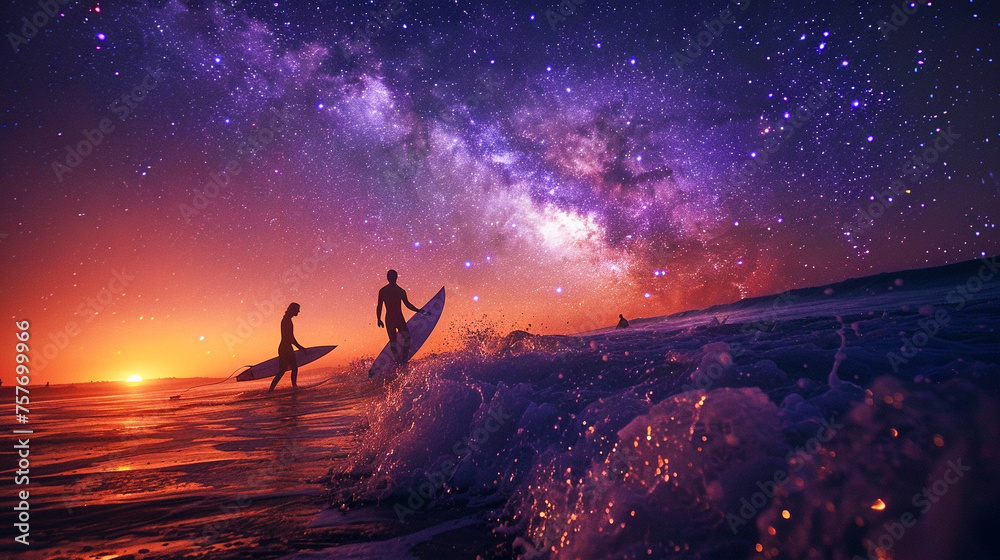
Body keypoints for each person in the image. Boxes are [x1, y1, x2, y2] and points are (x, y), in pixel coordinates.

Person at [376, 269, 426, 364]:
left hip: (390, 319)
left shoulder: (384, 291)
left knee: (393, 342)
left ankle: (400, 361)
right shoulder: (400, 291)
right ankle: (403, 359)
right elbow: (408, 305)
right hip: (398, 318)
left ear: (388, 278)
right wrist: (418, 310)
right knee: (406, 338)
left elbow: (379, 306)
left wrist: (379, 319)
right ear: (396, 277)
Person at [270, 302, 306, 392]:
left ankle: (271, 390)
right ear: (292, 309)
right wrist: (300, 347)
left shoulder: (286, 319)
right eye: (297, 310)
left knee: (286, 370)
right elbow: (290, 338)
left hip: (285, 347)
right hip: (285, 348)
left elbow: (290, 338)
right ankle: (294, 387)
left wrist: (299, 347)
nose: (298, 312)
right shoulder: (286, 321)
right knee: (288, 369)